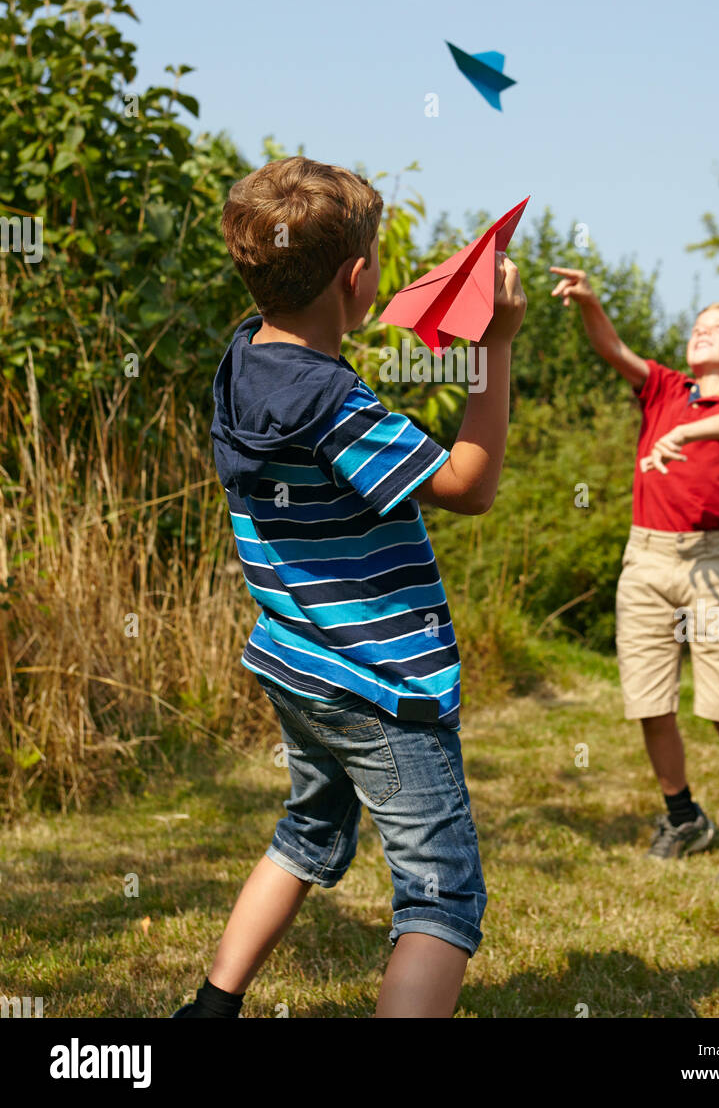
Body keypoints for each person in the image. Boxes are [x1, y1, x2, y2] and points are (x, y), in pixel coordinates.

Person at [172, 156, 526, 1019]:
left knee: (306, 831)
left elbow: (312, 341)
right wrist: (494, 347)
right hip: (379, 684)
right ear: (358, 276)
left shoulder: (241, 360)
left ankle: (212, 1008)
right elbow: (470, 485)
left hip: (299, 664)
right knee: (440, 900)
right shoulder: (335, 405)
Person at [550, 267, 719, 878]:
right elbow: (613, 349)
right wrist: (591, 302)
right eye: (697, 325)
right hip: (645, 558)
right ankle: (683, 815)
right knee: (649, 699)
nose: (702, 329)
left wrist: (690, 431)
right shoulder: (665, 388)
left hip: (711, 564)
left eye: (718, 326)